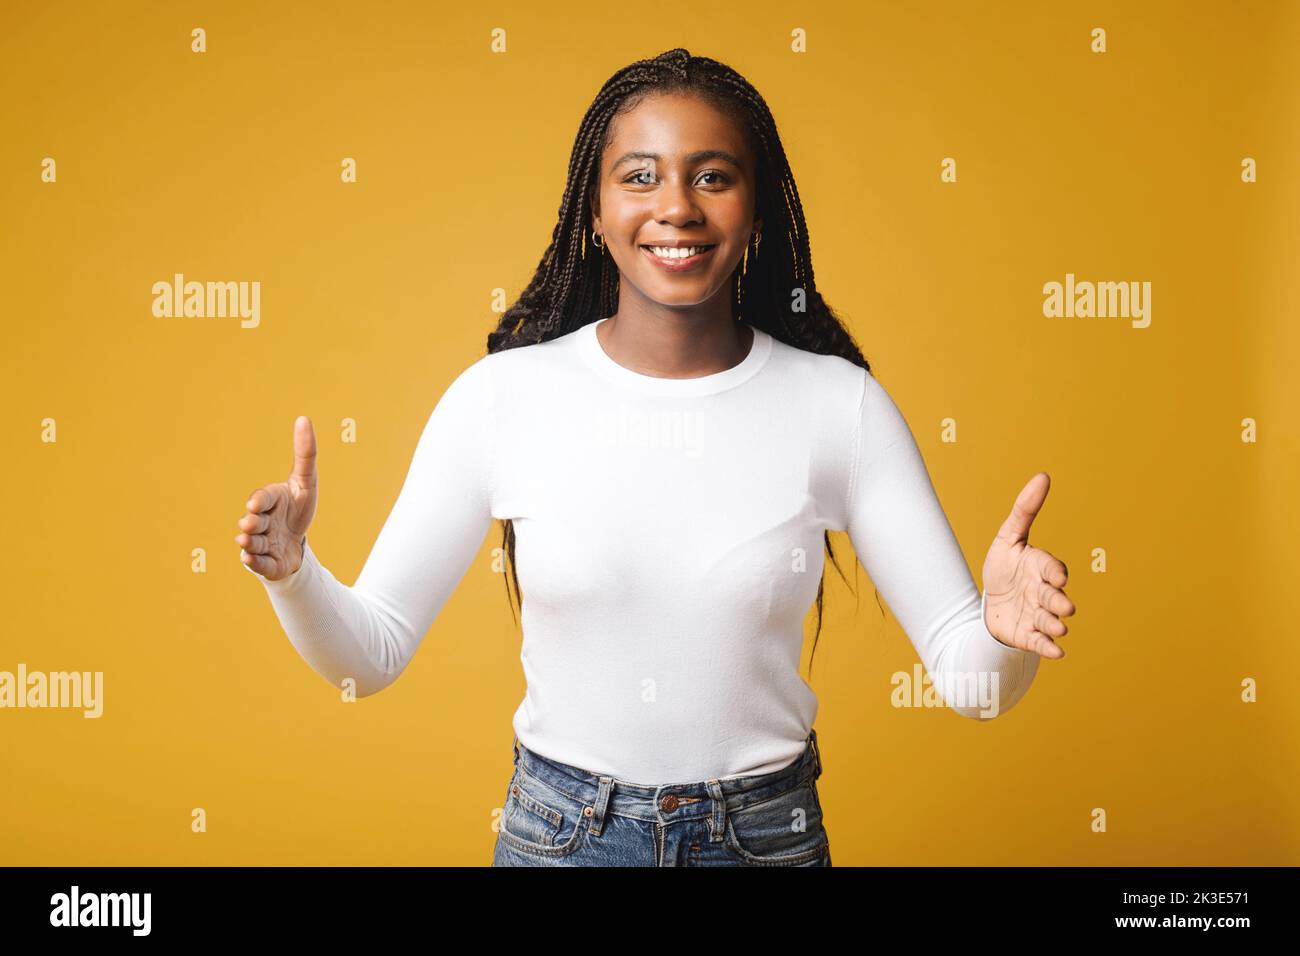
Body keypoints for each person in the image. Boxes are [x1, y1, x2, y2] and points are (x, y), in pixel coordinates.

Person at [235, 49, 1076, 867]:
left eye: (713, 176)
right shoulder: (501, 399)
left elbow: (975, 683)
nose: (676, 206)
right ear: (594, 213)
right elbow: (371, 655)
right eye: (640, 176)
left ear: (753, 209)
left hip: (764, 838)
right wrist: (293, 574)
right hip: (561, 839)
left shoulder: (837, 407)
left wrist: (1003, 636)